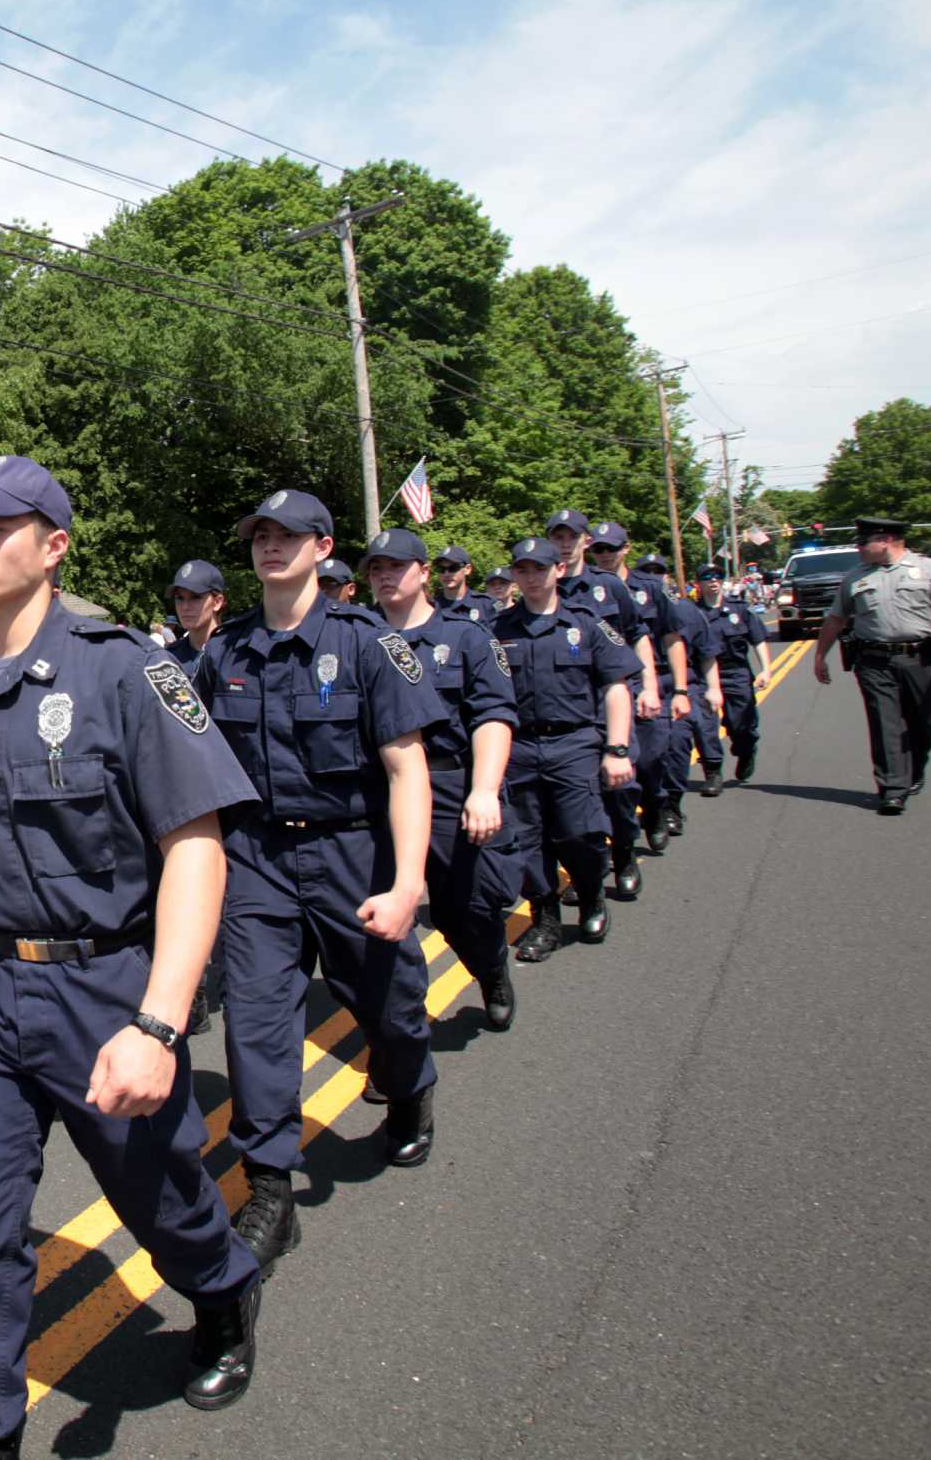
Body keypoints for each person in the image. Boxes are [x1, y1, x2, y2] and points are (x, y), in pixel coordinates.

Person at [0, 454, 266, 1457]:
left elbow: (194, 845)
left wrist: (157, 1021)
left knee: (162, 1199)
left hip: (103, 986)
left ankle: (222, 1290)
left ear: (52, 547)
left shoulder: (122, 669)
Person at [199, 489, 446, 1295]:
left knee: (392, 1008)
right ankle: (269, 1186)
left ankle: (408, 1087)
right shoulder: (224, 652)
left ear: (322, 545)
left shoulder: (368, 644)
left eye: (287, 536)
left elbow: (408, 769)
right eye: (259, 535)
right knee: (258, 1026)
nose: (270, 547)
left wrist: (408, 882)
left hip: (352, 854)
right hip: (256, 860)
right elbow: (188, 764)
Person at [361, 529, 521, 1030]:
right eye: (376, 569)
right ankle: (397, 1047)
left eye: (397, 566)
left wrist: (484, 789)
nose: (385, 576)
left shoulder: (466, 637)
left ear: (425, 573)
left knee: (463, 912)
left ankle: (491, 968)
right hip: (379, 794)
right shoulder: (358, 638)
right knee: (384, 920)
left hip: (450, 788)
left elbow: (493, 715)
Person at [495, 538, 640, 963]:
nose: (531, 576)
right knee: (527, 841)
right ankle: (545, 919)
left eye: (539, 568)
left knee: (581, 833)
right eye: (522, 569)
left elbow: (616, 686)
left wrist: (616, 748)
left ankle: (593, 894)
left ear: (558, 570)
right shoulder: (496, 631)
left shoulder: (587, 624)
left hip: (574, 744)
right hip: (519, 749)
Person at [813, 516, 931, 814]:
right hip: (873, 660)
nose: (859, 549)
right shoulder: (855, 577)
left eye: (864, 543)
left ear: (887, 540)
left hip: (922, 658)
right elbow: (836, 619)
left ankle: (915, 768)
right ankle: (892, 788)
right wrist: (819, 656)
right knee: (885, 722)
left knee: (926, 722)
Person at [561, 514, 656, 892]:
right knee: (577, 798)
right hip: (570, 706)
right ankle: (589, 870)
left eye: (572, 537)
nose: (565, 544)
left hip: (612, 699)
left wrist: (649, 686)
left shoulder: (608, 587)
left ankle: (625, 854)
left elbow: (638, 635)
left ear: (585, 541)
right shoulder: (541, 588)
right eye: (558, 537)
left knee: (619, 789)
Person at [164, 558, 230, 1033]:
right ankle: (195, 990)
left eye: (195, 598)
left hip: (232, 792)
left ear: (217, 601)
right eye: (180, 599)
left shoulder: (237, 651)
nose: (186, 607)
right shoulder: (167, 660)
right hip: (181, 791)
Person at [632, 553, 721, 829]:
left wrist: (713, 688)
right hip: (633, 685)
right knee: (642, 756)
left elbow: (705, 652)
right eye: (646, 572)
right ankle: (650, 805)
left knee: (676, 748)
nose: (653, 576)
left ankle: (670, 807)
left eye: (658, 571)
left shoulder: (685, 610)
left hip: (673, 685)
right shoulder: (622, 604)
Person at [695, 565, 773, 784]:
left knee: (742, 725)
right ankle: (713, 772)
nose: (713, 580)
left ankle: (746, 751)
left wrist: (766, 670)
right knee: (704, 726)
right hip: (703, 675)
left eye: (718, 576)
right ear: (698, 583)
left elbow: (758, 639)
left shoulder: (739, 610)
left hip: (736, 672)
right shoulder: (693, 612)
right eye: (707, 577)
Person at [432, 544, 498, 626]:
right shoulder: (431, 607)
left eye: (453, 568)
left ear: (467, 569)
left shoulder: (485, 604)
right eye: (441, 569)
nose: (446, 574)